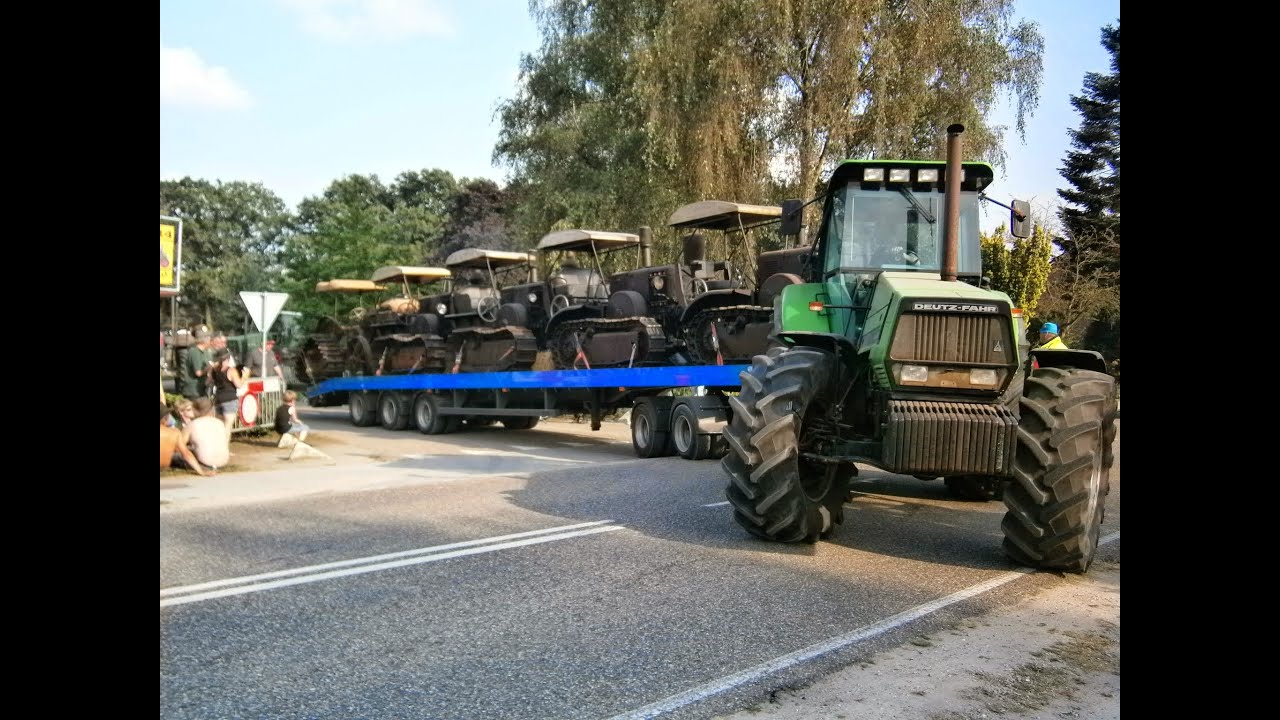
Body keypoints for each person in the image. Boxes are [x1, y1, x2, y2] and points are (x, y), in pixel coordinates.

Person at [161, 402, 207, 476]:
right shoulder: (175, 433)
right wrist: (201, 471)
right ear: (165, 418)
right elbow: (186, 454)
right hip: (163, 467)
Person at [187, 397, 230, 471]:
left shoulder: (192, 425)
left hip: (204, 463)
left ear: (195, 410)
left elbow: (180, 445)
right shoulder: (220, 423)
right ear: (211, 409)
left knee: (178, 455)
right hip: (223, 461)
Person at [210, 348, 246, 440]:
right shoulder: (231, 371)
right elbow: (239, 385)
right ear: (228, 358)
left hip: (218, 399)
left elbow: (209, 382)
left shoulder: (214, 370)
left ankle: (218, 448)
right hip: (230, 399)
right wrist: (244, 376)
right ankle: (225, 449)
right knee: (227, 426)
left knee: (220, 426)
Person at [178, 328, 213, 401]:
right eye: (209, 339)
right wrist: (209, 368)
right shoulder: (195, 352)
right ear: (204, 340)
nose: (211, 341)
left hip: (201, 389)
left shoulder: (205, 352)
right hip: (193, 392)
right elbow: (198, 373)